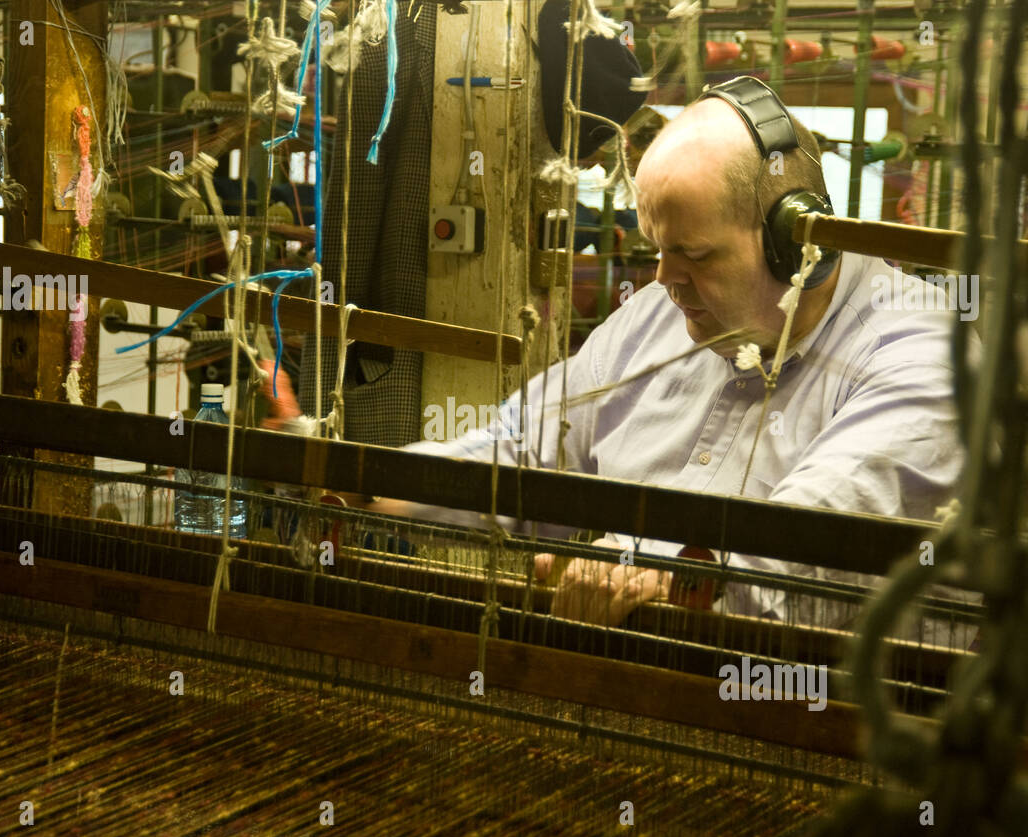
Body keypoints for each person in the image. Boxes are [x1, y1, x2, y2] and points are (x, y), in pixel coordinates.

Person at [264, 80, 972, 643]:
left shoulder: (925, 356)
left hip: (851, 741)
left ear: (794, 243)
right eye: (656, 250)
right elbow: (518, 449)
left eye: (694, 255)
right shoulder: (662, 319)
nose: (663, 280)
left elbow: (803, 545)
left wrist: (651, 576)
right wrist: (362, 487)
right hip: (660, 692)